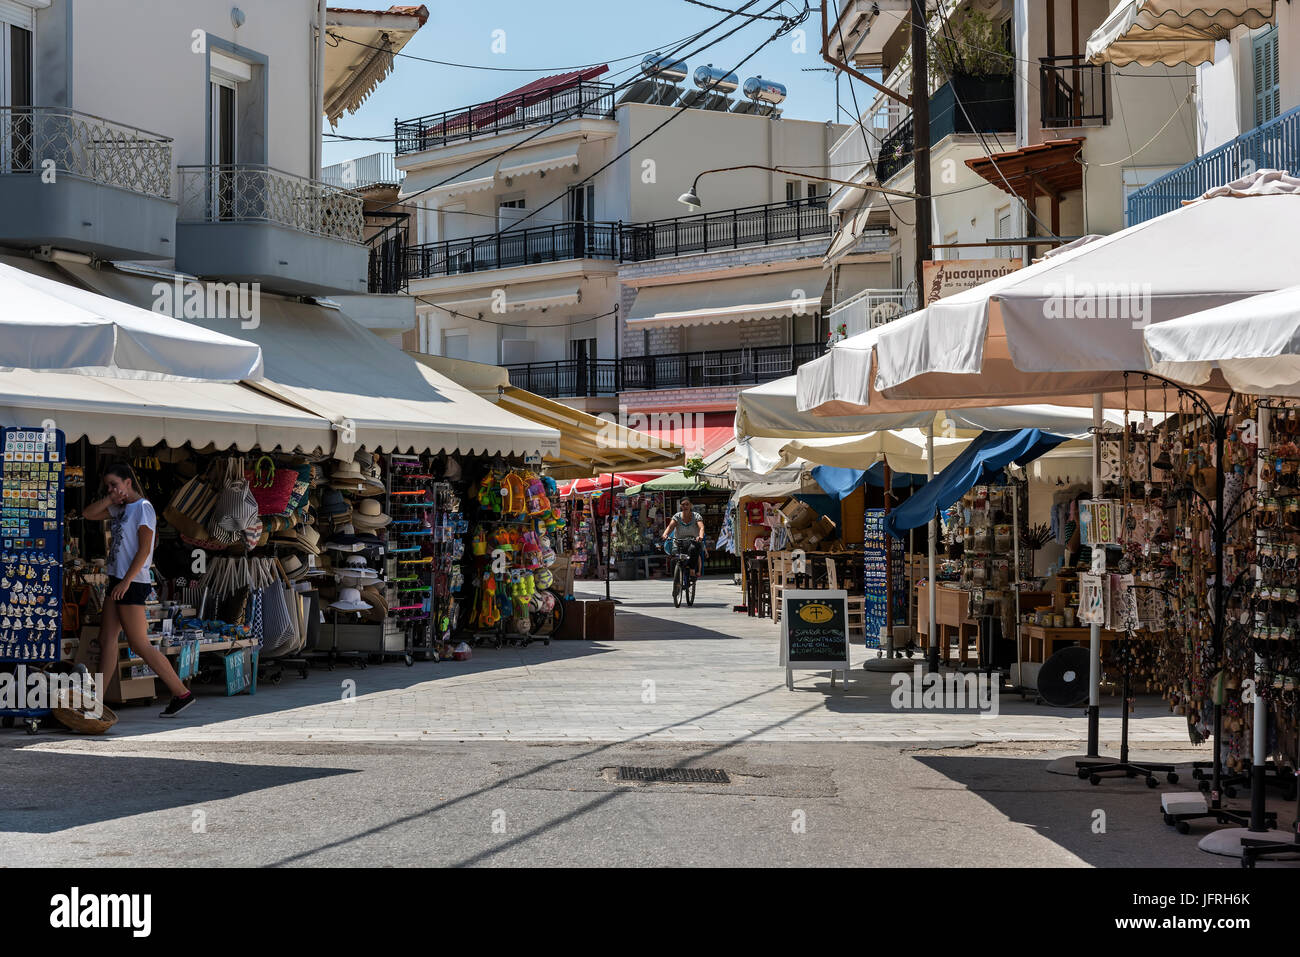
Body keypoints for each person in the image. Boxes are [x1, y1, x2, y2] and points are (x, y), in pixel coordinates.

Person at [84, 463, 195, 717]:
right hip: (118, 580)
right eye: (108, 486)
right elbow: (89, 514)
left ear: (128, 483)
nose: (112, 489)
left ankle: (182, 693)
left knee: (139, 642)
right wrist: (110, 498)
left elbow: (145, 550)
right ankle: (97, 701)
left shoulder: (143, 508)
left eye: (115, 484)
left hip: (131, 582)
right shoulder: (121, 508)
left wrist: (125, 582)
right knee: (107, 640)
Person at [661, 497, 705, 578]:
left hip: (692, 541)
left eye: (687, 504)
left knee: (694, 549)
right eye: (683, 505)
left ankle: (692, 569)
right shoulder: (677, 516)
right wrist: (665, 534)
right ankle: (676, 579)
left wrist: (700, 536)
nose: (685, 506)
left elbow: (701, 527)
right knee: (674, 558)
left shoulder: (696, 516)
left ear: (691, 505)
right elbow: (670, 527)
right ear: (680, 506)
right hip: (679, 542)